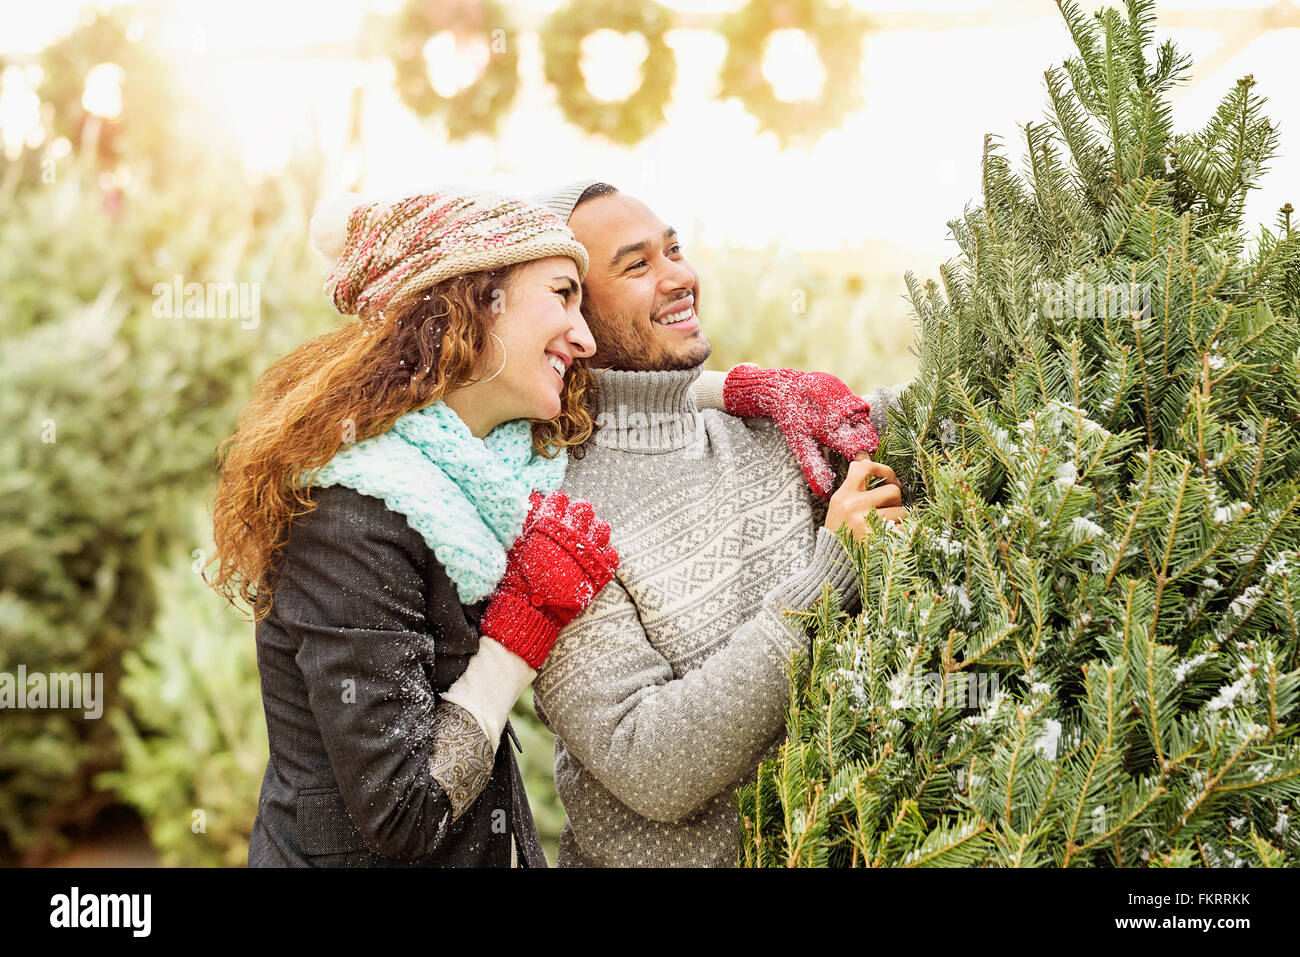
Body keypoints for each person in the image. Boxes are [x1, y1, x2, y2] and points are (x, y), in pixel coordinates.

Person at [207, 188, 622, 866]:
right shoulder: (351, 512)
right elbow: (406, 814)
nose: (586, 337)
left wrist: (740, 390)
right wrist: (521, 632)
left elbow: (632, 391)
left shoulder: (500, 469)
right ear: (480, 297)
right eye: (563, 295)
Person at [529, 180, 907, 866]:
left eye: (674, 248)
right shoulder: (553, 518)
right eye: (637, 265)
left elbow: (932, 411)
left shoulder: (770, 426)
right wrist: (829, 579)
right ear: (570, 317)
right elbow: (648, 760)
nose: (679, 277)